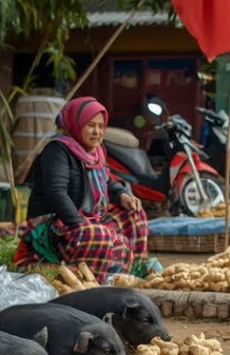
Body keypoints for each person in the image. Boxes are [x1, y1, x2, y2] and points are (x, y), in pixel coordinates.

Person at [14, 96, 149, 281]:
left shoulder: (95, 153)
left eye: (101, 126)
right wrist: (79, 223)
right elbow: (56, 192)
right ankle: (93, 280)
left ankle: (126, 273)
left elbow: (107, 181)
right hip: (56, 222)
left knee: (134, 215)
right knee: (98, 234)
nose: (97, 132)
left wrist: (122, 194)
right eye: (90, 125)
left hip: (87, 216)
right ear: (75, 124)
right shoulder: (57, 150)